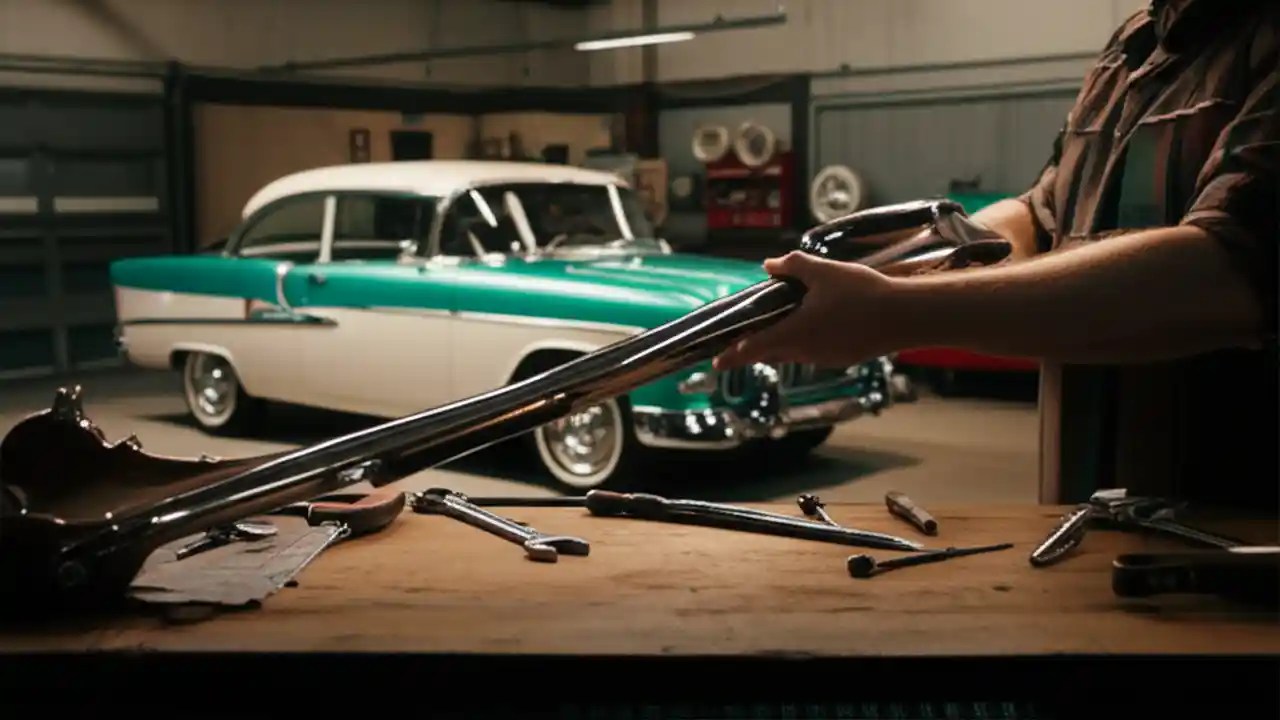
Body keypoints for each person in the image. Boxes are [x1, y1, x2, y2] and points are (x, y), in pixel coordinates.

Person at [714, 0, 1278, 510]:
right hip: (1086, 521)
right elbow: (1044, 208)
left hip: (1234, 558)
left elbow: (1224, 272)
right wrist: (930, 251)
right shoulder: (1133, 44)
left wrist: (895, 310)